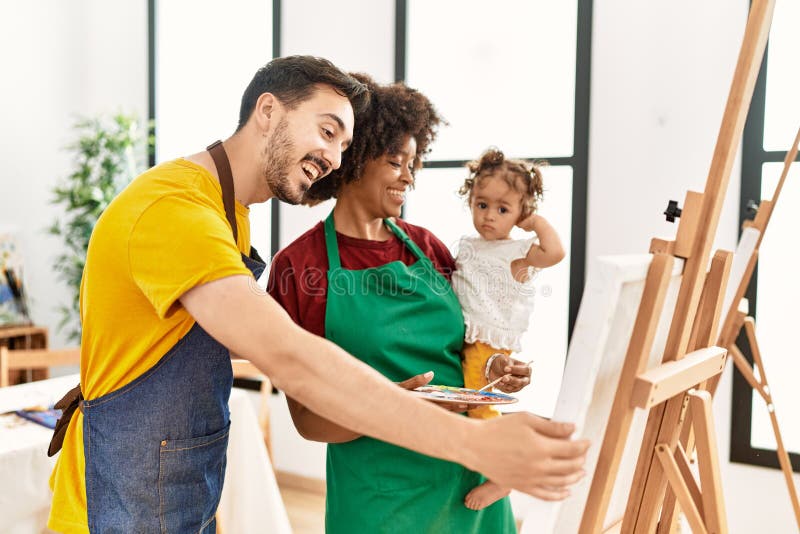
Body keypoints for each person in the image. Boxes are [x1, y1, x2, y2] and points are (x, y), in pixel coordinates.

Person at [47, 56, 588, 533]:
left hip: (173, 489)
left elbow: (192, 348)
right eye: (328, 131)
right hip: (123, 502)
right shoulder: (176, 211)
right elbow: (287, 355)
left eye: (345, 144)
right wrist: (475, 442)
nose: (334, 156)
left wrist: (483, 381)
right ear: (267, 110)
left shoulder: (227, 213)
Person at [267, 74, 578, 532]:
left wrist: (496, 374)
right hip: (381, 496)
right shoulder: (301, 268)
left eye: (413, 163)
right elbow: (308, 422)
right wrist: (390, 406)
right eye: (396, 162)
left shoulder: (429, 248)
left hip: (468, 484)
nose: (408, 178)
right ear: (354, 157)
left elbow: (465, 344)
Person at [451, 148, 566, 511]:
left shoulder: (517, 252)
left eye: (503, 209)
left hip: (490, 343)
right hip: (469, 338)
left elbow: (555, 252)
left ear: (519, 213)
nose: (489, 216)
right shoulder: (468, 245)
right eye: (481, 204)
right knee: (473, 405)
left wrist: (537, 223)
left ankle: (504, 475)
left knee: (480, 407)